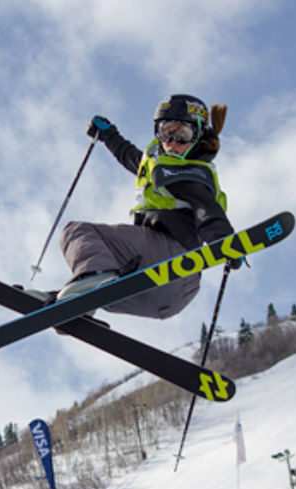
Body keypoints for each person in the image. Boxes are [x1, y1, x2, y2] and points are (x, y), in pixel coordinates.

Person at [38, 94, 236, 320]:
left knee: (77, 232)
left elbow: (207, 208)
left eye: (183, 135)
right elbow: (131, 157)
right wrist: (110, 136)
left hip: (171, 257)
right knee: (109, 282)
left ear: (198, 136)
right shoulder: (159, 164)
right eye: (166, 133)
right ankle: (70, 305)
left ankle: (89, 284)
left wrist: (225, 242)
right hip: (170, 294)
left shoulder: (189, 171)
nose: (172, 143)